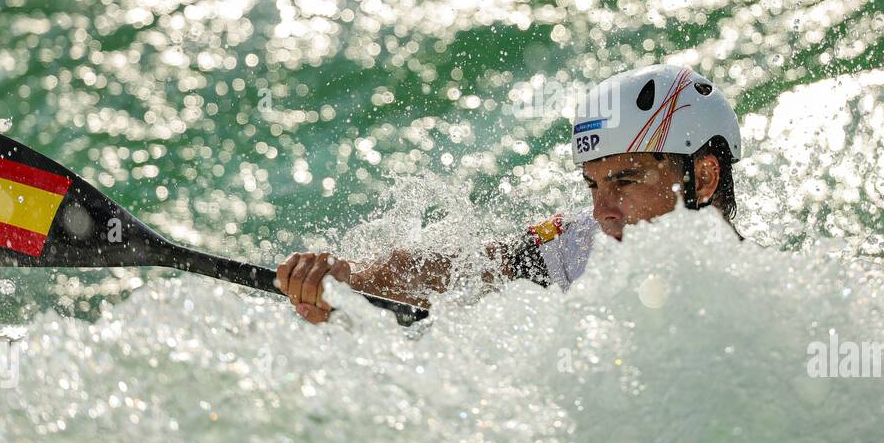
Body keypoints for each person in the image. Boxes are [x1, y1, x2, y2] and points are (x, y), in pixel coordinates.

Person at [276, 64, 744, 322]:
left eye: (624, 181)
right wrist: (348, 283)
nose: (602, 210)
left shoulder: (754, 297)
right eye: (593, 185)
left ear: (703, 177)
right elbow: (456, 269)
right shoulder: (573, 240)